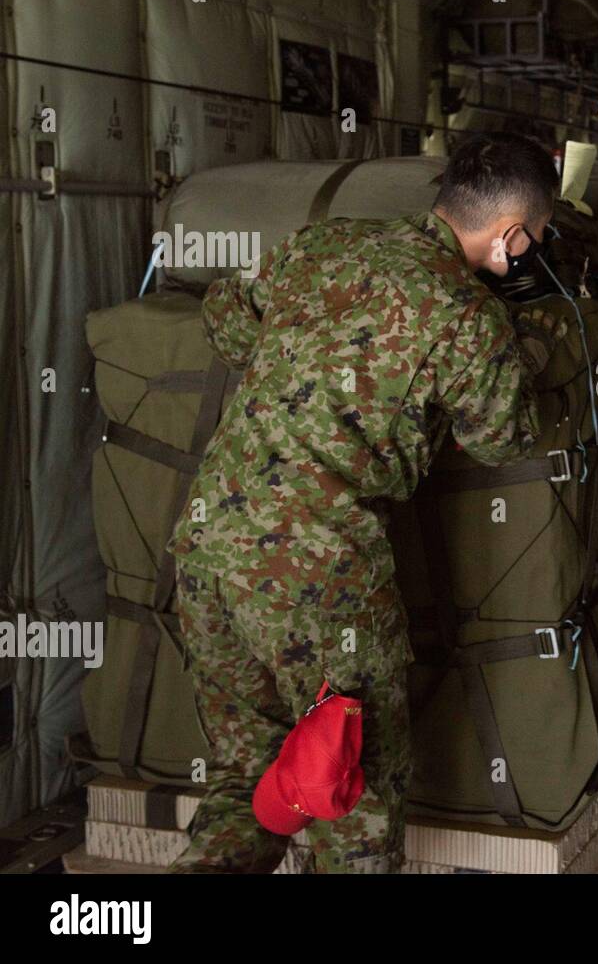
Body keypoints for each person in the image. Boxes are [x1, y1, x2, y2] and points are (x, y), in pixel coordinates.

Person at [165, 131, 557, 872]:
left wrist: (304, 367)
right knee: (352, 796)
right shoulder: (468, 314)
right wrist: (527, 345)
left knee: (248, 771)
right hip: (317, 579)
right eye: (536, 239)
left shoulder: (327, 241)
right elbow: (505, 438)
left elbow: (223, 314)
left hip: (207, 547)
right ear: (511, 237)